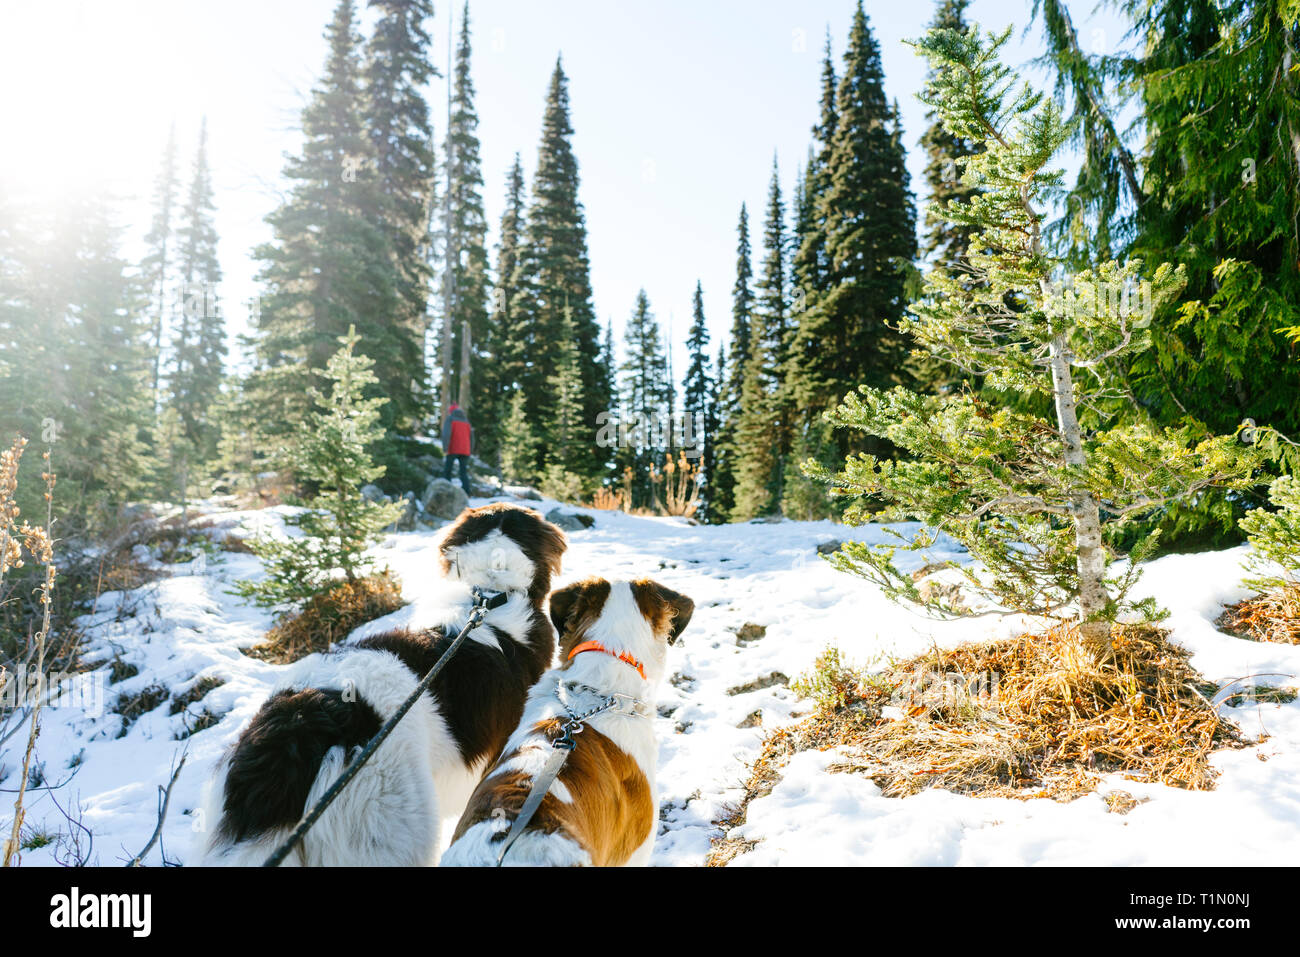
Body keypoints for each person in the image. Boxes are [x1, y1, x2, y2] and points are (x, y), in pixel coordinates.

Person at [440, 403, 474, 491]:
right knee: (463, 472)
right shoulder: (466, 421)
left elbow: (446, 434)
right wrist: (470, 450)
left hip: (453, 449)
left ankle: (446, 489)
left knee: (448, 470)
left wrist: (445, 448)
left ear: (451, 411)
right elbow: (472, 437)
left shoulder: (450, 419)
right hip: (465, 450)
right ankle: (467, 491)